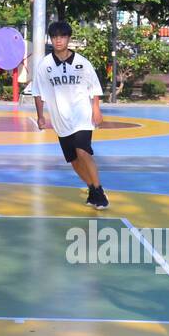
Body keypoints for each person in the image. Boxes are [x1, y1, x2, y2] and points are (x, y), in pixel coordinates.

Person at [29, 21, 108, 209]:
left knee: (83, 151)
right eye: (55, 37)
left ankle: (99, 190)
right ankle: (91, 188)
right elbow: (38, 93)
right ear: (51, 39)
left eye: (62, 36)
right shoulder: (45, 65)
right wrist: (40, 116)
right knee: (73, 159)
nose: (58, 40)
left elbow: (94, 88)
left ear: (68, 39)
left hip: (82, 116)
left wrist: (96, 110)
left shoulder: (82, 63)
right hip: (60, 119)